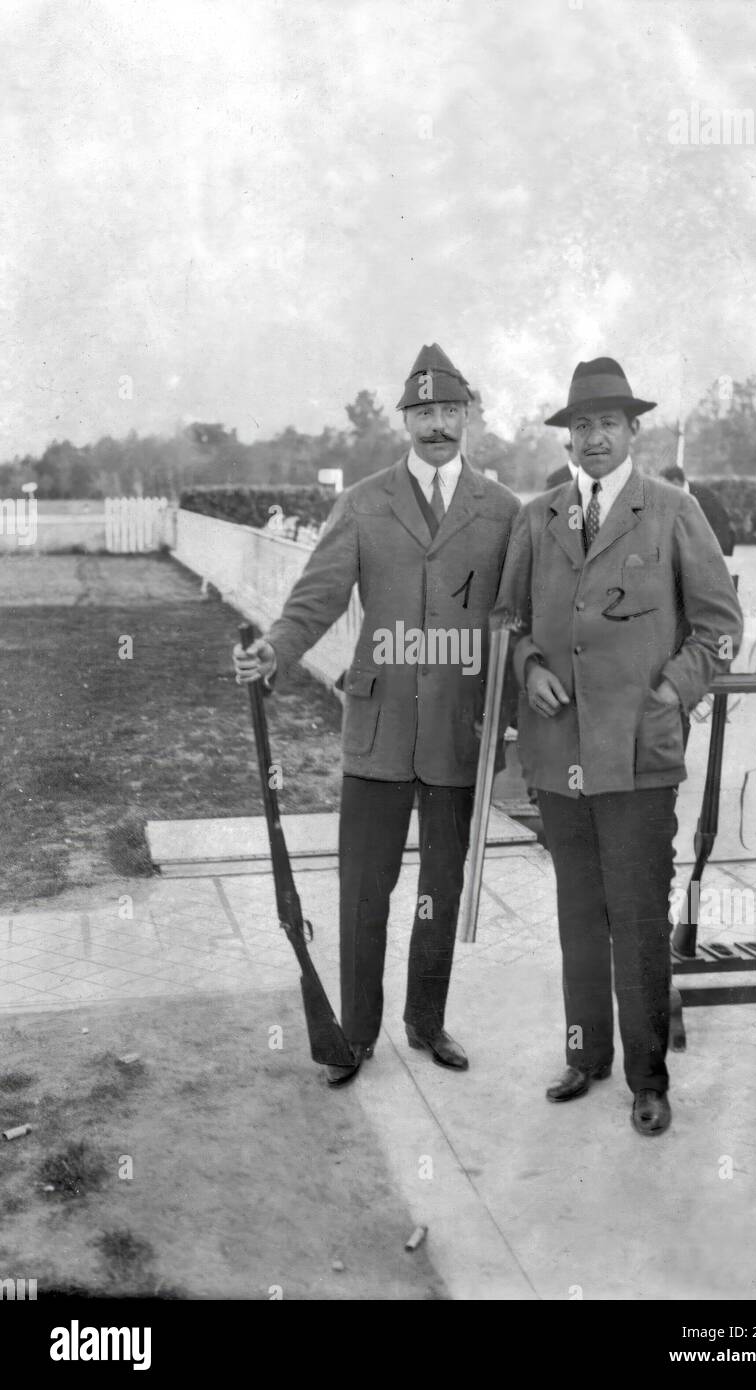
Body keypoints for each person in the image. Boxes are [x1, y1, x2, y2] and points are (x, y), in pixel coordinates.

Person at [234, 344, 520, 1087]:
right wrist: (276, 650)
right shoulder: (362, 502)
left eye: (449, 411)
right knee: (365, 890)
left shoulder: (503, 511)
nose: (436, 425)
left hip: (459, 735)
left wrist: (512, 715)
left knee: (441, 890)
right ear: (405, 422)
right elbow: (317, 596)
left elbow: (517, 620)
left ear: (469, 418)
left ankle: (426, 1021)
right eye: (423, 412)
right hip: (377, 734)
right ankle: (355, 1033)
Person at [494, 357, 742, 1136]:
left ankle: (647, 1080)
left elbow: (721, 627)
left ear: (634, 431)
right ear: (567, 438)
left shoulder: (672, 511)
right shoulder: (539, 518)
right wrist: (527, 665)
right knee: (578, 913)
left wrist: (672, 689)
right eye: (579, 426)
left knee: (636, 921)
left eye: (606, 423)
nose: (591, 438)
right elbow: (507, 620)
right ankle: (584, 1055)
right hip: (560, 755)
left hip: (639, 757)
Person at [660, 464, 735, 556]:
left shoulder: (703, 495)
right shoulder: (670, 497)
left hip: (712, 545)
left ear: (676, 482)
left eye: (665, 484)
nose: (662, 488)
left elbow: (719, 522)